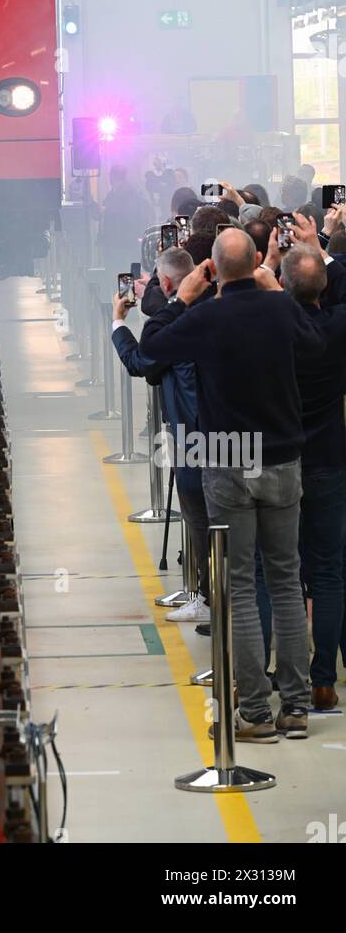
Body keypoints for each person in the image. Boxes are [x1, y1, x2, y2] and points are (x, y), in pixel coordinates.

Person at [140, 227, 325, 741]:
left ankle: (257, 715)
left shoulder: (206, 316)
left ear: (214, 269)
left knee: (239, 586)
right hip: (284, 457)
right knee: (287, 582)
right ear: (256, 268)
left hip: (225, 456)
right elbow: (316, 344)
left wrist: (182, 297)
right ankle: (296, 707)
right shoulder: (282, 310)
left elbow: (151, 347)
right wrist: (275, 291)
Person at [112, 247, 211, 624]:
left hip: (193, 437)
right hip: (233, 433)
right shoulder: (215, 311)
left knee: (200, 520)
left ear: (166, 282)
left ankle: (207, 596)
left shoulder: (177, 325)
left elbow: (142, 361)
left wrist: (118, 322)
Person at [279, 239, 346, 709]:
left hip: (282, 459)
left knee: (283, 574)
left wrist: (268, 271)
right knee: (327, 571)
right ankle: (325, 679)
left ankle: (291, 677)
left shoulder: (274, 328)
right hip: (329, 459)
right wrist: (322, 248)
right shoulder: (340, 326)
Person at [99, 165, 151, 273]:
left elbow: (128, 214)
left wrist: (107, 210)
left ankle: (124, 290)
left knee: (122, 272)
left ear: (114, 177)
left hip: (123, 243)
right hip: (116, 242)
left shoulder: (129, 193)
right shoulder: (114, 192)